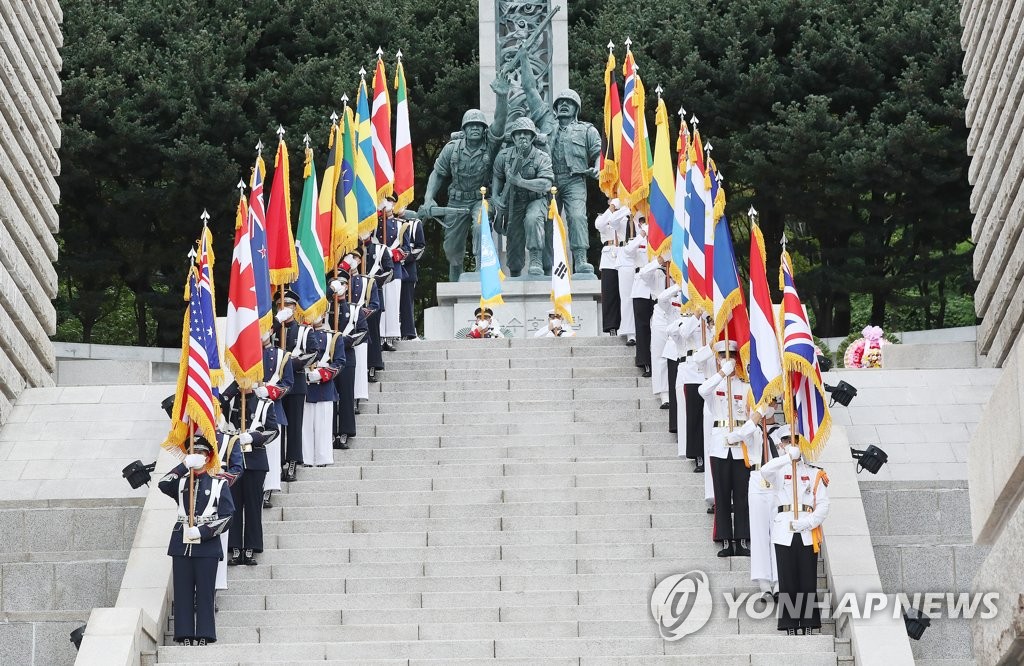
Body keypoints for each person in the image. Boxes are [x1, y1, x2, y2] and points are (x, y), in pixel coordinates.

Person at [422, 92, 508, 282]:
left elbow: (500, 122)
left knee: (480, 226)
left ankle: (481, 273)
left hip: (481, 200)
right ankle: (455, 281)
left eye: (479, 125)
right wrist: (428, 198)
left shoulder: (490, 146)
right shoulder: (452, 148)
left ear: (484, 129)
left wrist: (502, 96)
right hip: (457, 201)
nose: (475, 128)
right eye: (471, 125)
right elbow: (438, 173)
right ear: (465, 129)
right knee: (451, 249)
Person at [698, 340, 772, 557]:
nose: (727, 359)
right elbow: (702, 390)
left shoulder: (745, 385)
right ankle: (724, 540)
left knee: (741, 495)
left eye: (731, 355)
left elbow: (763, 411)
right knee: (721, 494)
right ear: (718, 359)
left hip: (741, 446)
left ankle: (742, 539)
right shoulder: (714, 384)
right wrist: (722, 373)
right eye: (722, 355)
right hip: (719, 446)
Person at [158, 438, 233, 645]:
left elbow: (227, 518)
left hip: (207, 544)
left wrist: (203, 532)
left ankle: (205, 633)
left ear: (208, 457)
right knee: (182, 591)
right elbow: (163, 483)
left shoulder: (219, 484)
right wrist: (184, 465)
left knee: (205, 591)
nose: (197, 455)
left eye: (201, 453)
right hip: (182, 543)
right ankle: (184, 634)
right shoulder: (181, 482)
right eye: (193, 452)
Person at [759, 439, 831, 634]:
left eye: (798, 443)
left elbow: (823, 504)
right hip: (784, 530)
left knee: (807, 580)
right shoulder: (780, 470)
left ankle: (808, 623)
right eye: (789, 442)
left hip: (806, 529)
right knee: (787, 580)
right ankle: (789, 623)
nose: (795, 446)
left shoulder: (815, 473)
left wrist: (809, 522)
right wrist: (787, 458)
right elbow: (764, 470)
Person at [219, 381, 279, 567]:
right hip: (233, 462)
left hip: (255, 462)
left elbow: (273, 431)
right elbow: (219, 401)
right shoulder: (231, 402)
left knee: (253, 506)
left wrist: (253, 437)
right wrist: (236, 384)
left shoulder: (265, 403)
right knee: (234, 506)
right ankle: (235, 547)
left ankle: (252, 546)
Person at [491, 117, 555, 277]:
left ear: (532, 137)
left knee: (533, 219)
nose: (522, 137)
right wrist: (496, 199)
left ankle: (536, 260)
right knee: (513, 245)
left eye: (526, 133)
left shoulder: (541, 157)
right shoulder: (503, 156)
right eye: (518, 134)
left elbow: (546, 184)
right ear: (513, 137)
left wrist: (521, 182)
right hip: (514, 202)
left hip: (536, 200)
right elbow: (497, 178)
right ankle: (515, 272)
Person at [253, 329, 292, 508]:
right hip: (252, 410)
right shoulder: (247, 353)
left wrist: (269, 391)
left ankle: (267, 490)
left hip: (272, 408)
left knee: (272, 453)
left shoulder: (281, 355)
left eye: (264, 329)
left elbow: (288, 384)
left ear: (271, 330)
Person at [748, 417, 786, 599]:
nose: (769, 405)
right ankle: (763, 582)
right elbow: (739, 434)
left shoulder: (783, 431)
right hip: (757, 480)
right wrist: (756, 415)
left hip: (778, 483)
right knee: (759, 533)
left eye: (771, 403)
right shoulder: (752, 429)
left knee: (778, 533)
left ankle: (779, 581)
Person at [302, 315, 342, 467]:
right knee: (306, 426)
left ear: (324, 314)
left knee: (323, 425)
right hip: (306, 383)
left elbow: (339, 362)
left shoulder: (333, 337)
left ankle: (323, 457)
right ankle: (306, 458)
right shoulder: (301, 334)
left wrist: (322, 374)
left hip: (324, 386)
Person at [595, 198, 629, 335]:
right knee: (610, 292)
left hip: (623, 253)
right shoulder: (603, 216)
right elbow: (599, 225)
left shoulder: (626, 215)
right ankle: (612, 326)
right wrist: (612, 207)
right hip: (609, 256)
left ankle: (625, 325)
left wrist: (624, 206)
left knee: (624, 293)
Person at [399, 213, 426, 340]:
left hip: (408, 267)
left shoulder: (414, 223)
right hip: (389, 266)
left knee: (406, 301)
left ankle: (408, 331)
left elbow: (420, 247)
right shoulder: (385, 221)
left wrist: (406, 258)